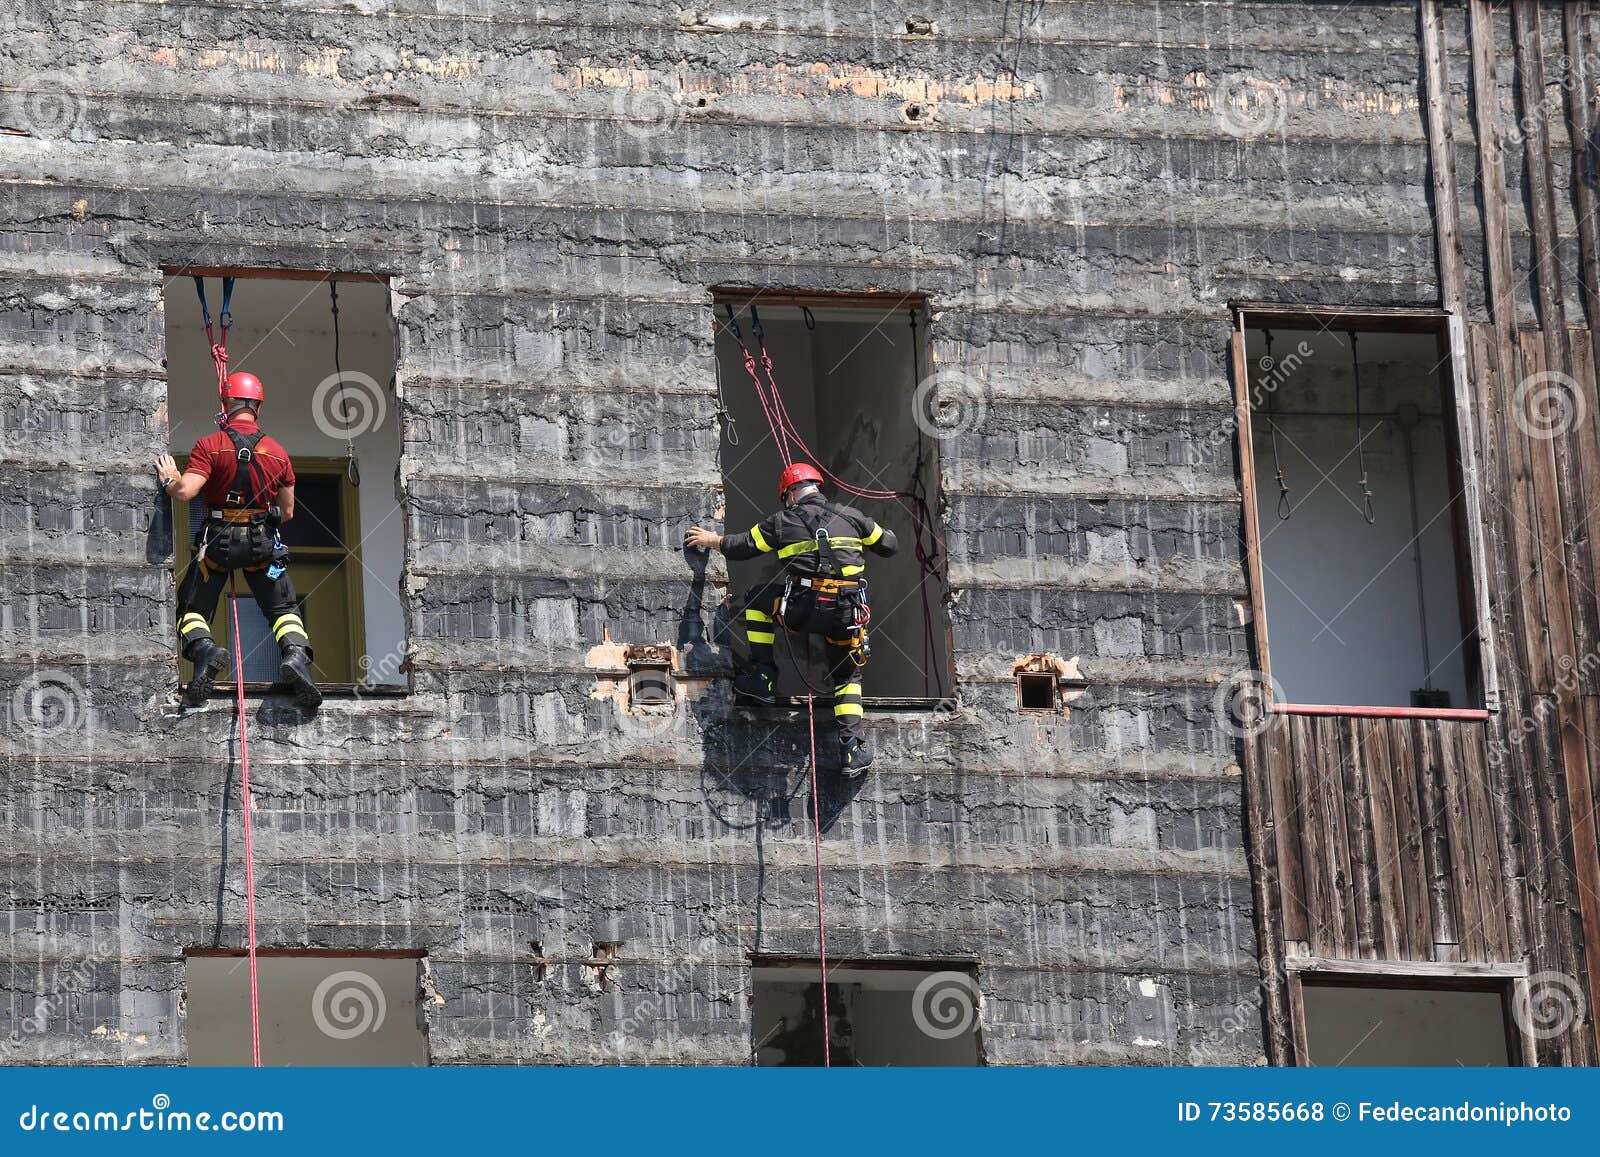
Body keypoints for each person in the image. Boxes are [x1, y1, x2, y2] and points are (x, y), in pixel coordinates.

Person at [685, 462, 897, 774]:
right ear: (817, 488)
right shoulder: (851, 516)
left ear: (792, 494)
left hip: (803, 610)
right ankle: (850, 748)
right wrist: (879, 530)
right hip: (846, 615)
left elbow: (742, 546)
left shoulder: (782, 520)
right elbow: (889, 545)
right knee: (847, 676)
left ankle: (764, 678)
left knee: (758, 598)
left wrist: (710, 540)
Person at [155, 370, 322, 710]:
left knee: (192, 606)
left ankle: (205, 650)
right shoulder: (278, 453)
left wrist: (170, 479)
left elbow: (186, 491)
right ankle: (295, 656)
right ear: (257, 406)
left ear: (226, 404)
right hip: (261, 543)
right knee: (284, 609)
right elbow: (287, 512)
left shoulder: (210, 446)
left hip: (218, 542)